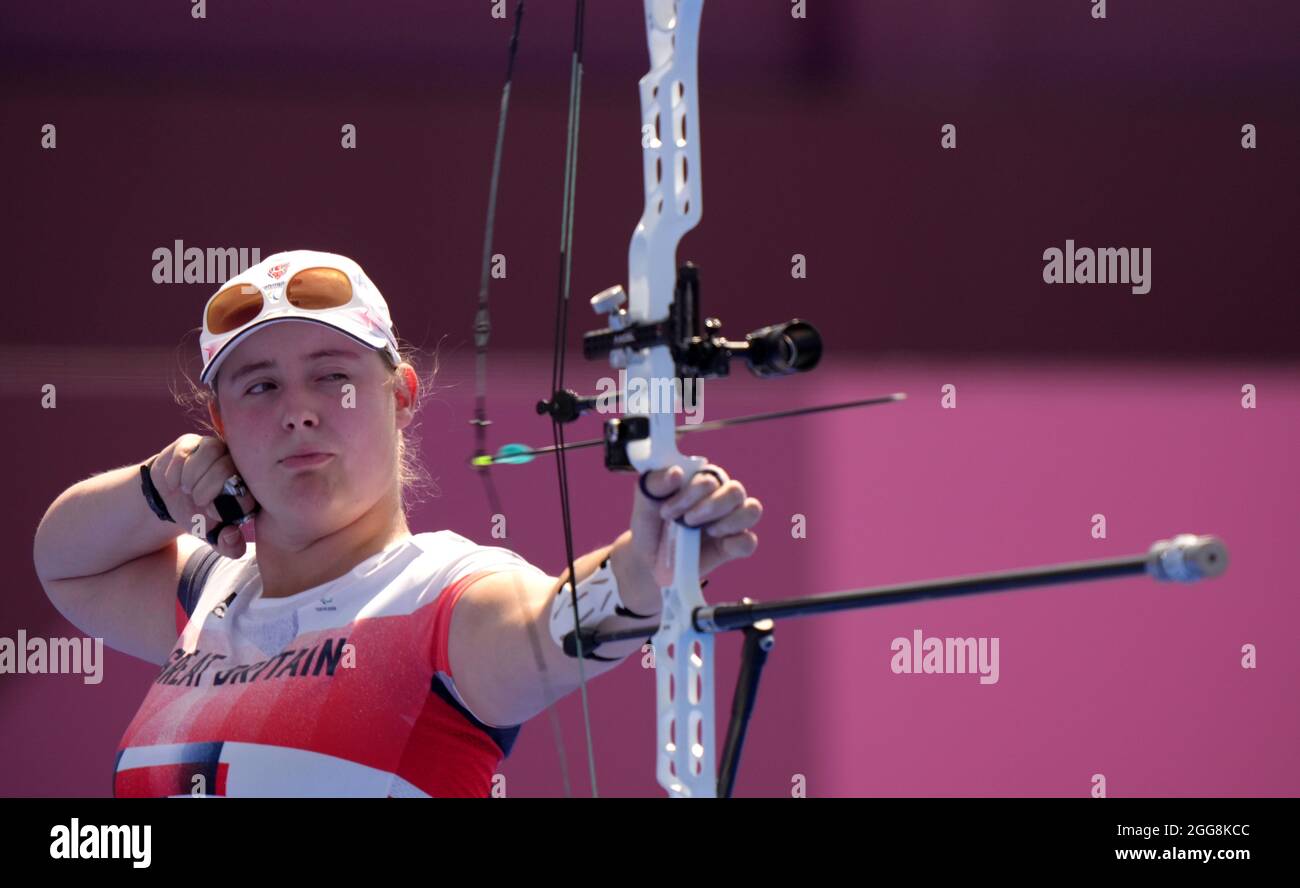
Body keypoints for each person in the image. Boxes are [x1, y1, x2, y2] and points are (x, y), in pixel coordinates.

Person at [33, 249, 763, 797]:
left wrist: (640, 575)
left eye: (333, 375)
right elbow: (64, 560)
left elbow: (545, 631)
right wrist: (164, 482)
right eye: (260, 386)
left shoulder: (441, 595)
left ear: (400, 393)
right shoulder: (209, 595)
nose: (298, 409)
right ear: (220, 424)